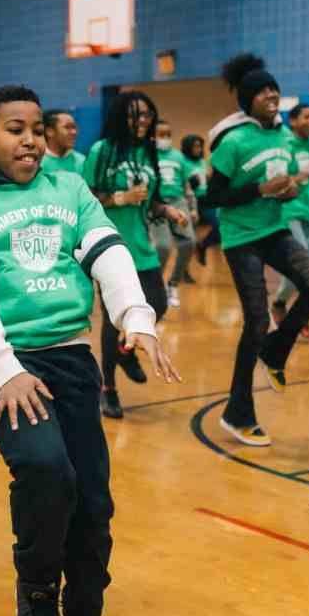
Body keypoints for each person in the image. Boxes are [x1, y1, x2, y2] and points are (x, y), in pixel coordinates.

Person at [0, 84, 181, 616]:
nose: (32, 139)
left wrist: (137, 319)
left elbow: (110, 253)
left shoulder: (68, 188)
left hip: (69, 357)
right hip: (4, 364)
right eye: (16, 129)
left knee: (93, 510)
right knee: (47, 470)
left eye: (37, 127)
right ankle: (37, 590)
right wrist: (1, 367)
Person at [204, 54, 309, 447]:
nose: (271, 94)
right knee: (256, 321)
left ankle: (277, 351)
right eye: (262, 91)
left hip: (274, 229)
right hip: (242, 239)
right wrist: (260, 189)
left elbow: (285, 182)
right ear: (247, 100)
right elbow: (215, 196)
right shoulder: (233, 140)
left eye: (273, 88)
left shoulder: (283, 138)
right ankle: (238, 413)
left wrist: (290, 188)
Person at [83, 91, 189, 419]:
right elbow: (85, 198)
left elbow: (149, 199)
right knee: (114, 316)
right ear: (120, 117)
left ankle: (125, 349)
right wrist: (120, 197)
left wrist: (166, 209)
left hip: (141, 244)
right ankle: (108, 389)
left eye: (146, 115)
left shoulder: (147, 151)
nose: (142, 122)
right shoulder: (103, 151)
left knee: (156, 304)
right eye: (135, 115)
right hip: (109, 245)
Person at [272, 104, 309, 338]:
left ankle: (280, 304)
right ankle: (294, 313)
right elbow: (276, 180)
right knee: (301, 263)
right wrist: (295, 178)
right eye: (307, 117)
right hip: (290, 210)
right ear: (293, 121)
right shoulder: (285, 145)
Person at [149, 119, 197, 308]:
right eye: (161, 134)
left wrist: (192, 207)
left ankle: (173, 283)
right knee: (162, 246)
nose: (165, 138)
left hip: (179, 203)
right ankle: (155, 285)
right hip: (158, 205)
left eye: (168, 134)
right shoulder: (148, 156)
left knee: (189, 242)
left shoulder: (179, 157)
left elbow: (187, 186)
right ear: (153, 137)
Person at [180, 135, 211, 270]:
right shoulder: (183, 162)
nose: (198, 149)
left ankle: (203, 245)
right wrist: (192, 183)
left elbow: (206, 181)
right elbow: (181, 185)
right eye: (195, 146)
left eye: (200, 146)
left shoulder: (203, 162)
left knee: (218, 224)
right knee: (188, 239)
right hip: (190, 201)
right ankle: (185, 271)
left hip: (206, 199)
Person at [41, 110, 86, 175]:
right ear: (49, 131)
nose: (74, 132)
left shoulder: (81, 161)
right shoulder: (38, 162)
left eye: (74, 127)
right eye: (67, 127)